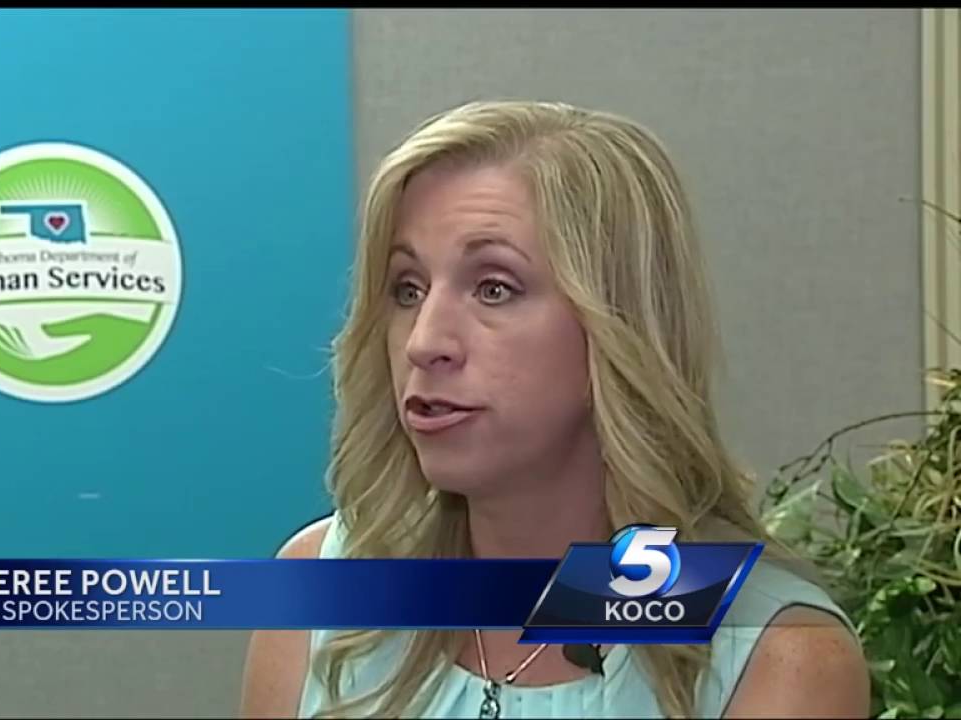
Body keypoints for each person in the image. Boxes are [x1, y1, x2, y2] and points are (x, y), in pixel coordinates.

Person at [239, 100, 869, 719]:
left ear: (619, 327)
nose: (424, 342)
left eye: (494, 288)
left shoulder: (773, 656)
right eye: (409, 288)